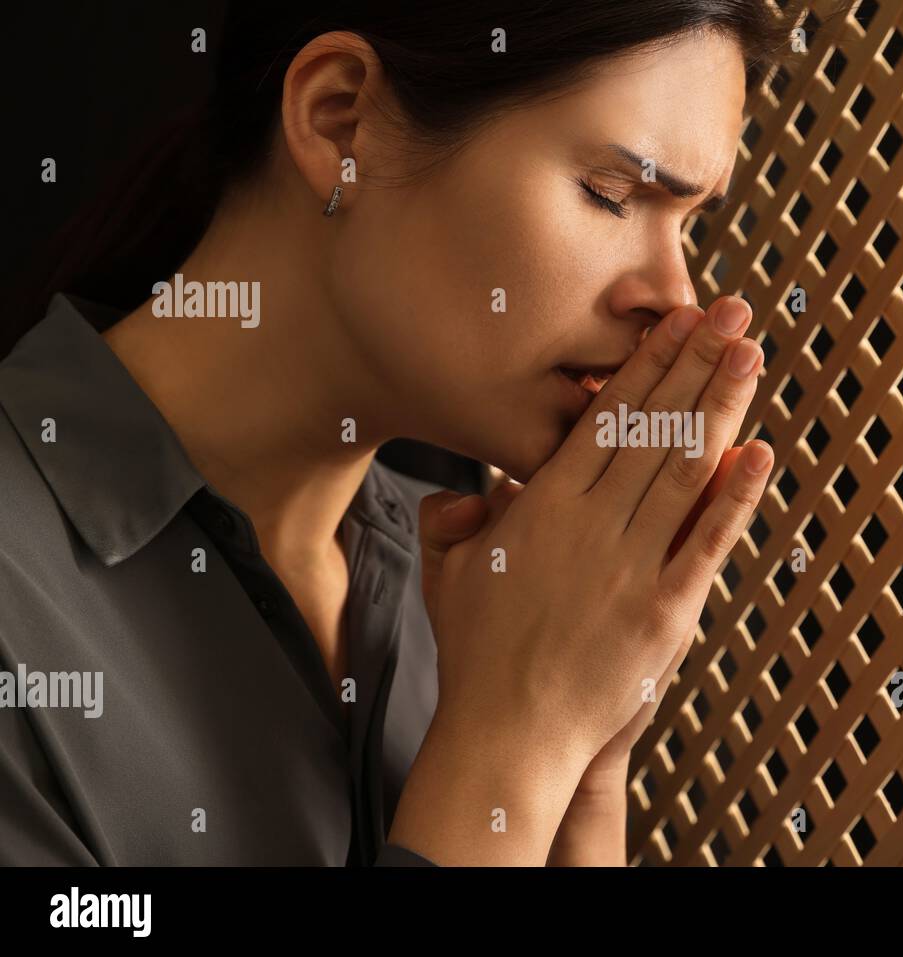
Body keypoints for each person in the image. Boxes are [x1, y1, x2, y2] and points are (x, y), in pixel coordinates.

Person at [0, 1, 790, 865]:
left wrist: (587, 762)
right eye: (611, 194)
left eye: (690, 224)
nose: (676, 297)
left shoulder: (488, 595)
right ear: (342, 120)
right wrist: (512, 744)